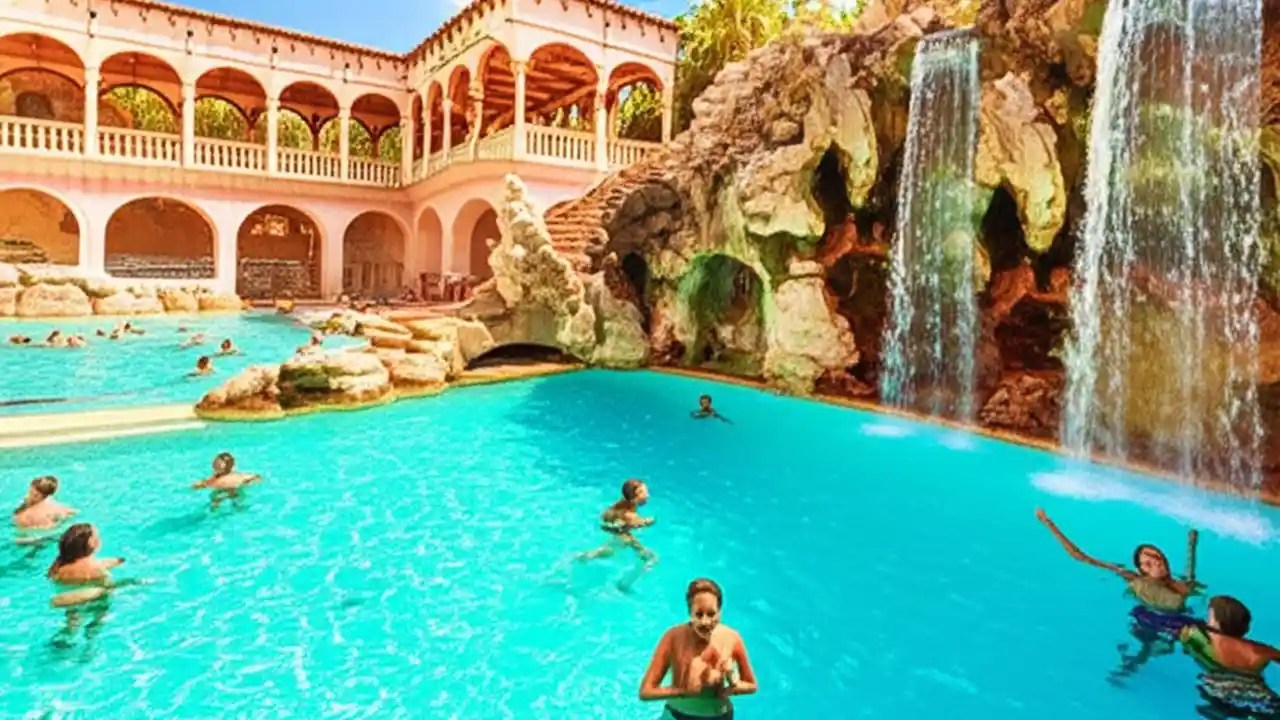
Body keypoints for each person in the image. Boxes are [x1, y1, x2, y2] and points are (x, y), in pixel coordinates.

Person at [1036, 508, 1200, 683]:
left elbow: (1190, 580)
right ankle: (1126, 669)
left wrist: (1191, 545)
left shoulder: (1179, 584)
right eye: (1148, 562)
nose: (1156, 563)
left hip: (1177, 618)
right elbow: (1082, 557)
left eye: (1158, 557)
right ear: (1142, 570)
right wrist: (1049, 523)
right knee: (1148, 649)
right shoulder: (1135, 578)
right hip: (1150, 619)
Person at [639, 578, 758, 720]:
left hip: (719, 716)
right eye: (699, 614)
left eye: (711, 614)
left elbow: (751, 685)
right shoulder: (672, 638)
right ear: (690, 612)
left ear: (720, 611)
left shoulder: (732, 638)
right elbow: (645, 692)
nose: (705, 622)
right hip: (677, 715)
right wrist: (681, 691)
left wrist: (732, 686)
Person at [1181, 596, 1280, 718]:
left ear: (1217, 623)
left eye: (1210, 616)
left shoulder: (1201, 637)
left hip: (1218, 689)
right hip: (1258, 696)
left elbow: (1186, 642)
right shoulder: (1259, 651)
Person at [577, 479, 658, 591]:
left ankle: (586, 556)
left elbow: (607, 516)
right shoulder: (630, 515)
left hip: (621, 532)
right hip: (623, 536)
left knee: (612, 552)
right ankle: (624, 585)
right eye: (645, 493)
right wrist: (648, 521)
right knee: (651, 558)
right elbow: (637, 523)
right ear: (636, 496)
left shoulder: (625, 502)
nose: (648, 495)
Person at [192, 452, 261, 509]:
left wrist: (247, 483)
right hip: (227, 491)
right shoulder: (215, 477)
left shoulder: (234, 476)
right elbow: (256, 477)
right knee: (216, 497)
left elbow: (256, 477)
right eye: (214, 463)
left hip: (233, 490)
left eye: (217, 463)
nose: (214, 465)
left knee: (217, 498)